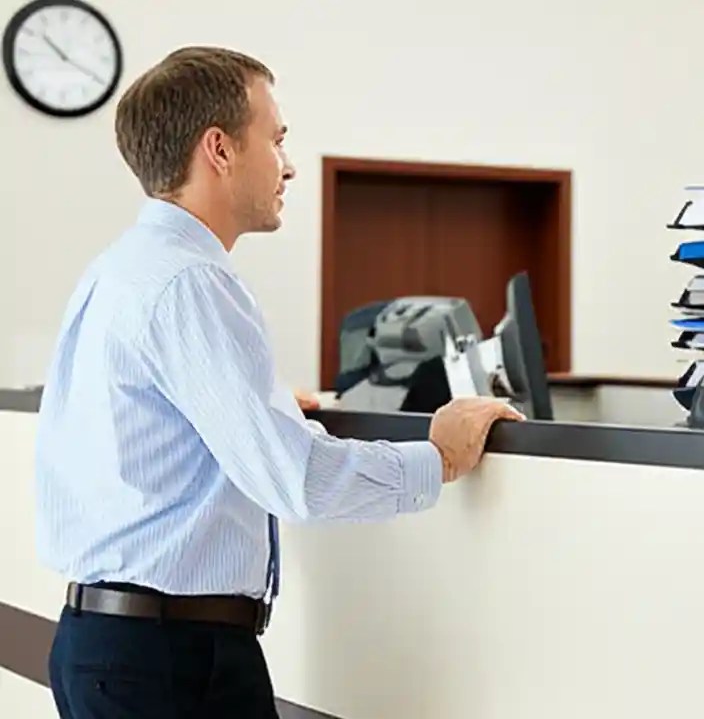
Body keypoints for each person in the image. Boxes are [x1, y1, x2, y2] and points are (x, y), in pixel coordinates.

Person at [35, 46, 524, 718]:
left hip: (111, 646)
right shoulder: (192, 282)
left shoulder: (120, 269)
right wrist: (437, 458)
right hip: (172, 659)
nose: (288, 165)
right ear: (220, 149)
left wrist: (245, 411)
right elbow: (296, 479)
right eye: (277, 139)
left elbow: (124, 427)